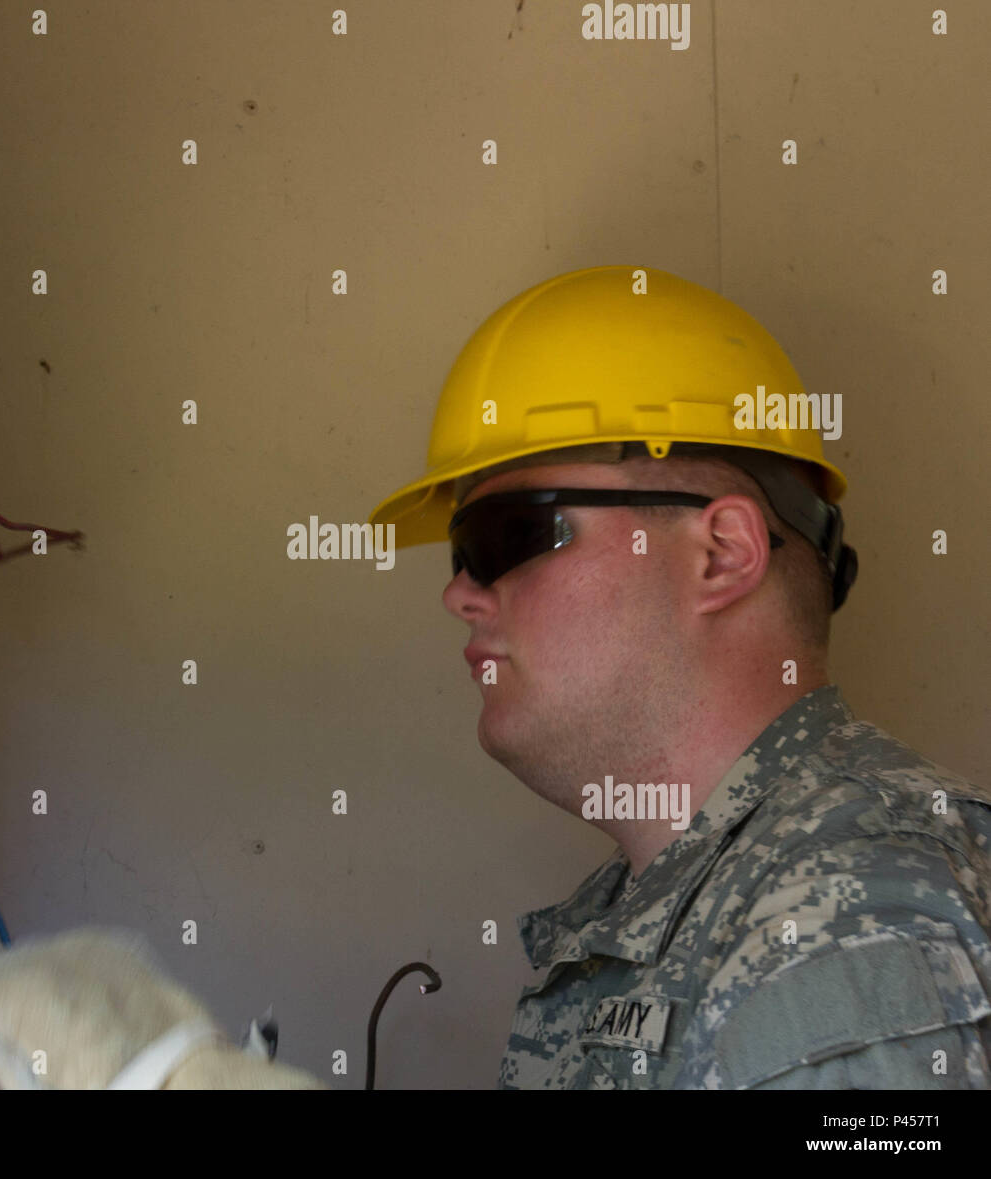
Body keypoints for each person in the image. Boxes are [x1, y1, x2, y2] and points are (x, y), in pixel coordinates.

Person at [368, 264, 991, 1089]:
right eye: (459, 554)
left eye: (505, 536)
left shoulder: (849, 909)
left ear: (721, 554)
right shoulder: (676, 899)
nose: (459, 594)